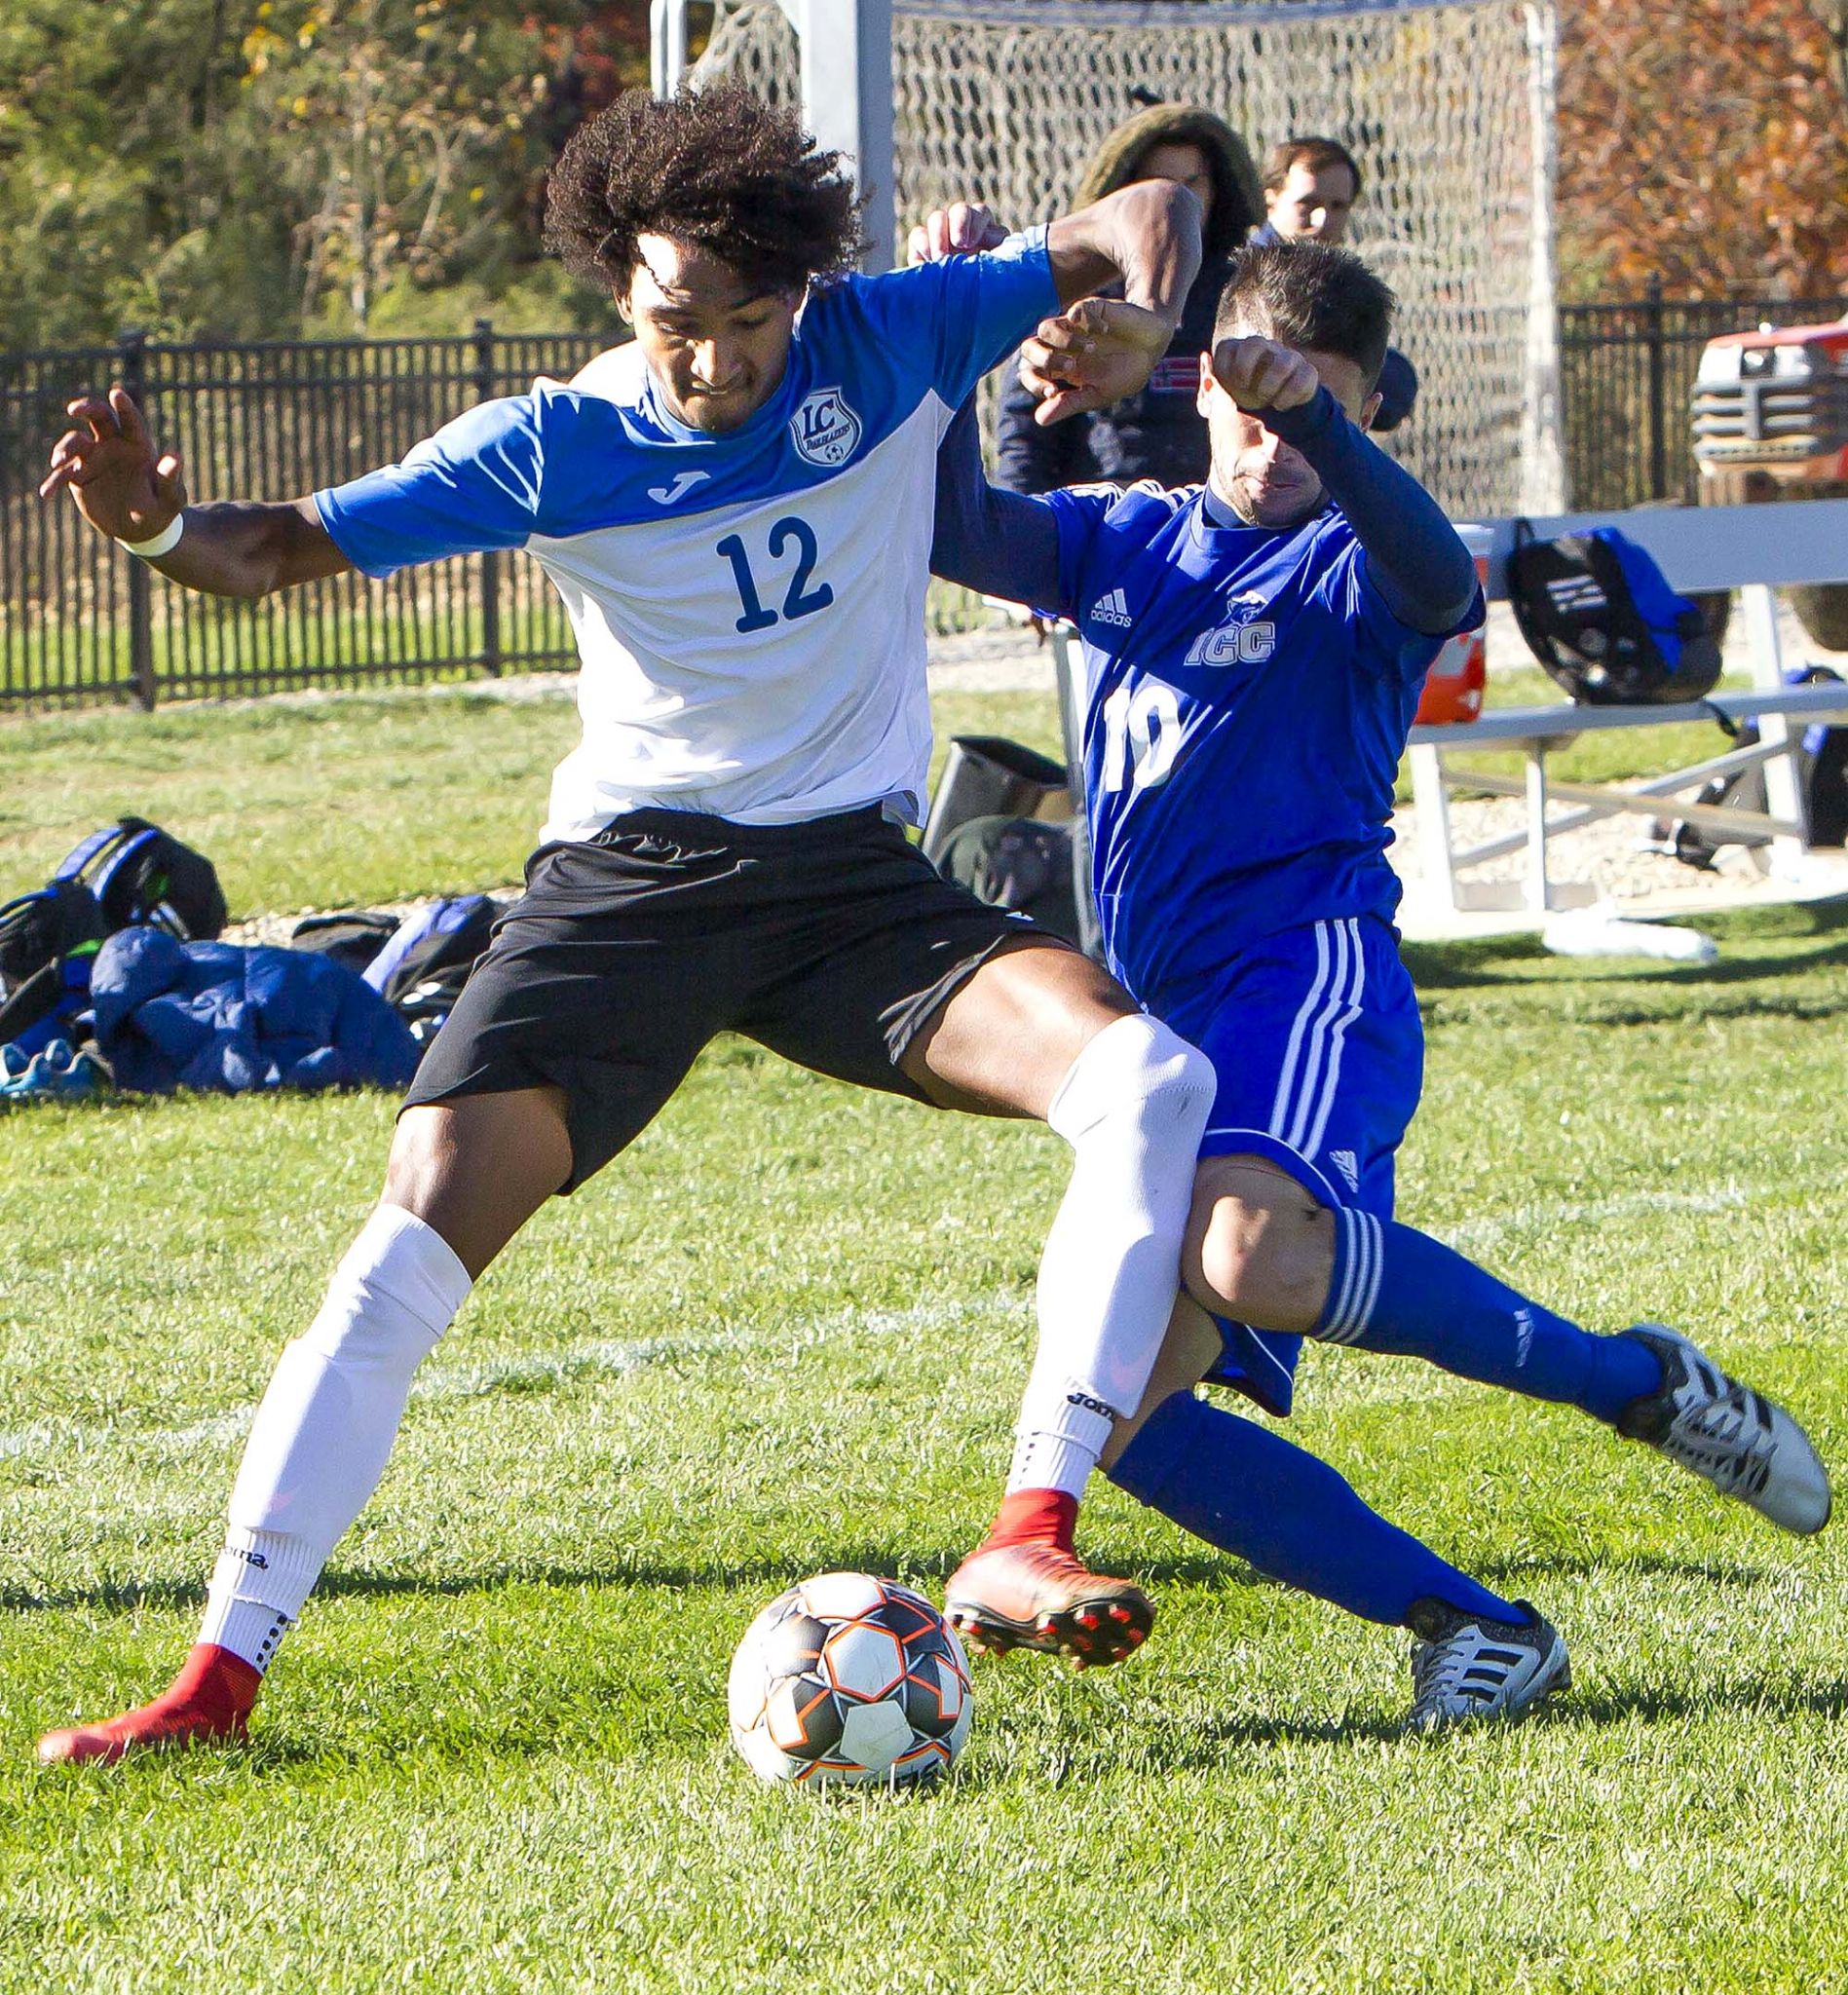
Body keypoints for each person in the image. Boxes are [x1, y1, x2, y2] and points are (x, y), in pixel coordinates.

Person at [32, 83, 1217, 1764]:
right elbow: (272, 548)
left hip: (848, 888)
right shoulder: (557, 442)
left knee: (1150, 1082)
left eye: (747, 322)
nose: (715, 362)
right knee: (404, 1248)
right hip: (632, 887)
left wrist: (1132, 316)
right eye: (677, 321)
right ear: (617, 288)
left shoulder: (892, 341)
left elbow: (1147, 206)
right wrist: (152, 523)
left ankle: (1027, 1522)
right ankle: (212, 1682)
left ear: (800, 293)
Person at [928, 226, 1831, 1726]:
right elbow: (953, 528)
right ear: (1204, 386)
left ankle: (1628, 1383)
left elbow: (1438, 582)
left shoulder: (1352, 550)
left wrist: (1324, 425)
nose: (1270, 442)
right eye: (1252, 404)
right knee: (1129, 1419)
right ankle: (1476, 1628)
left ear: (1354, 407)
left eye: (1311, 410)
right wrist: (974, 335)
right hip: (1149, 1012)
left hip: (1302, 972)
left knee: (1247, 1257)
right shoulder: (1122, 535)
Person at [994, 100, 1262, 496]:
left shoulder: (1247, 292)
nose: (1177, 202)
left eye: (1192, 184)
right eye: (1157, 185)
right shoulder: (1078, 296)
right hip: (1106, 521)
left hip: (1221, 524)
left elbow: (1375, 389)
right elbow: (1027, 435)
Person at [1252, 135, 1415, 433]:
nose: (1322, 219)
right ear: (1270, 200)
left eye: (1338, 206)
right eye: (1307, 204)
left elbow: (1393, 391)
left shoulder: (1335, 281)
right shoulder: (1243, 277)